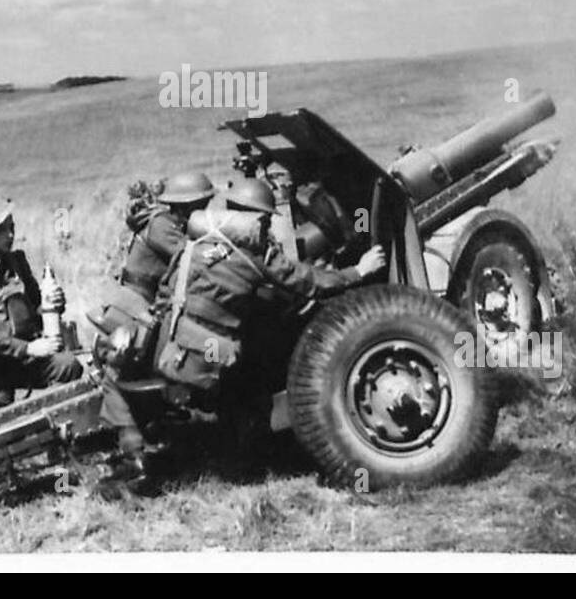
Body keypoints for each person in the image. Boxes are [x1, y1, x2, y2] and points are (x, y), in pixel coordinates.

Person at [148, 177, 387, 473]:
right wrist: (359, 271)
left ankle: (231, 446)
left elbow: (166, 290)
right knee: (253, 375)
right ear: (256, 215)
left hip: (172, 339)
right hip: (206, 353)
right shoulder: (254, 250)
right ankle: (247, 459)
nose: (266, 224)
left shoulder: (199, 239)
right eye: (264, 217)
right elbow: (307, 281)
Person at [93, 171, 215, 474]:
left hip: (140, 306)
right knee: (119, 374)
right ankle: (134, 453)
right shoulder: (163, 225)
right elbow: (193, 259)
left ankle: (150, 436)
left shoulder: (170, 222)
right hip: (134, 308)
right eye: (203, 204)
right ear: (188, 205)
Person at [0, 198, 82, 417]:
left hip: (24, 357)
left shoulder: (16, 262)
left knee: (69, 365)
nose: (10, 235)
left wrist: (54, 305)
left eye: (12, 227)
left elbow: (37, 310)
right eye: (2, 230)